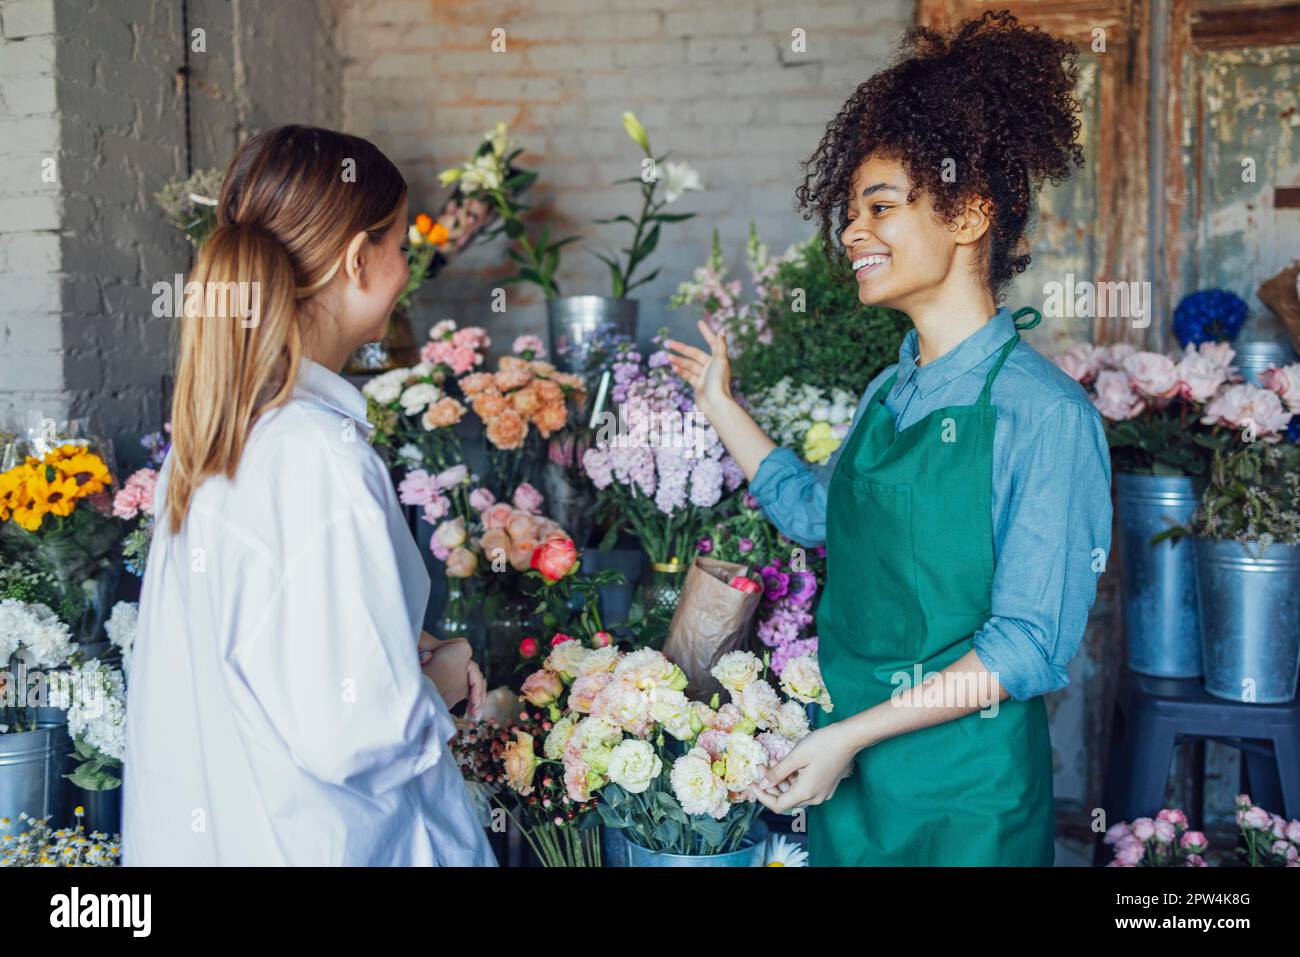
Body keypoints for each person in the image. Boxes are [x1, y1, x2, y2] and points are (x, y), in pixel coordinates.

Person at [666, 11, 1112, 866]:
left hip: (965, 798)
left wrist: (847, 738)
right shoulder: (888, 389)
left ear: (971, 211)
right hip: (852, 781)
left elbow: (1026, 645)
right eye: (849, 211)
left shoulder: (1046, 416)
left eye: (880, 206)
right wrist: (722, 404)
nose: (852, 232)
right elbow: (814, 512)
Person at [123, 126, 496, 866]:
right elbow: (354, 729)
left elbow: (269, 639)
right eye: (398, 246)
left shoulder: (213, 442)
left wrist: (397, 642)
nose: (406, 268)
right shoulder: (315, 454)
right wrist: (441, 684)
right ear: (358, 259)